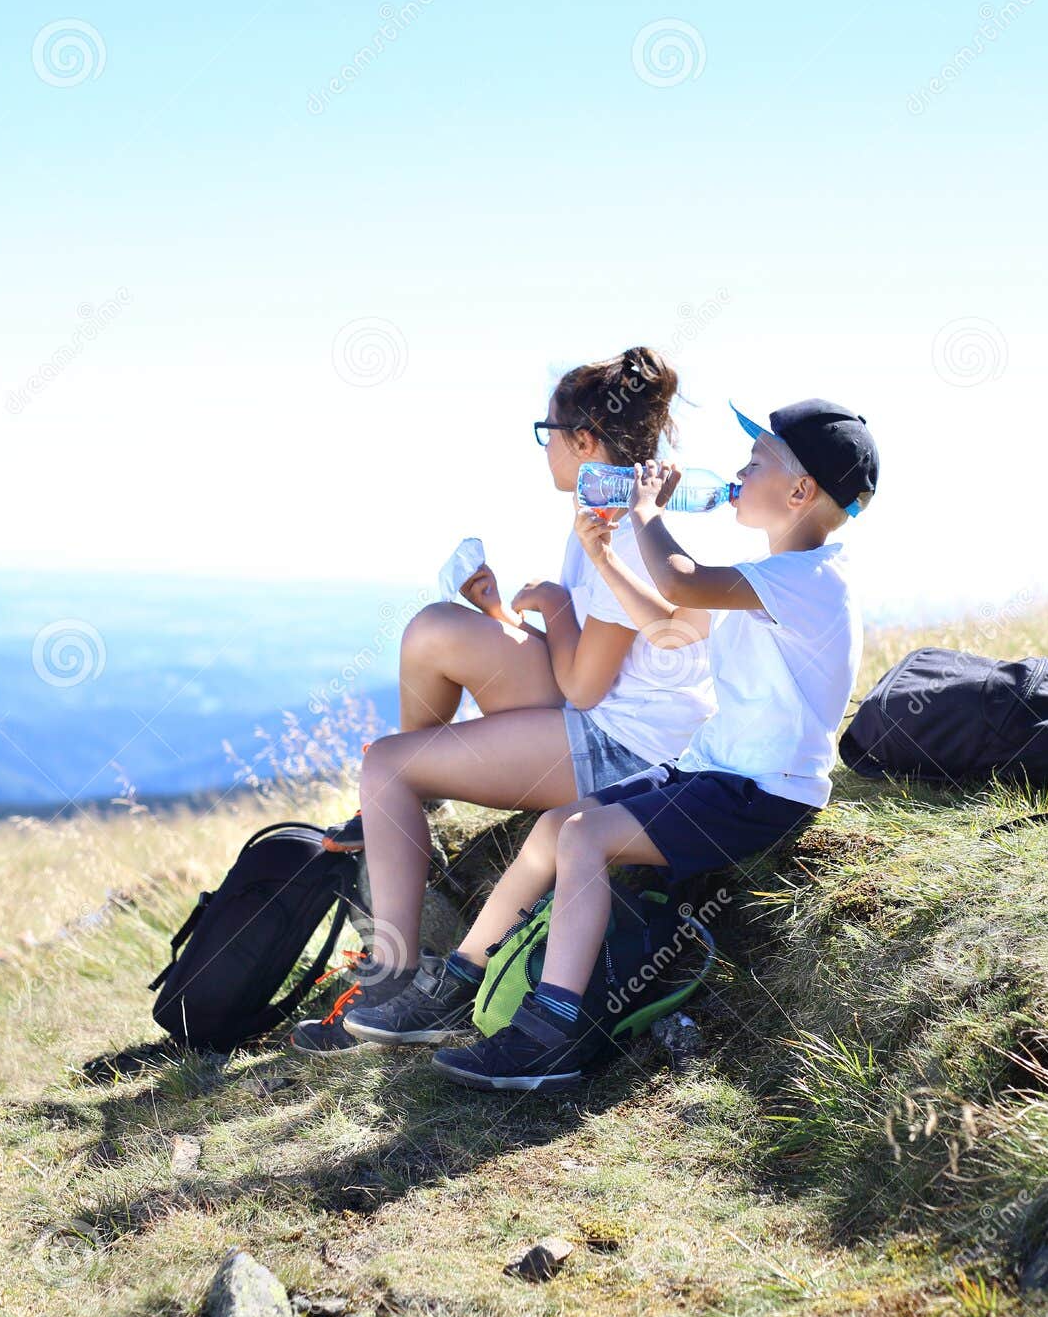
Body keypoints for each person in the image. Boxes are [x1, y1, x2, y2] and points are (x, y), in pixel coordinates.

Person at [346, 398, 879, 1086]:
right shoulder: (770, 581)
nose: (738, 473)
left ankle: (551, 1032)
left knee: (583, 839)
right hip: (708, 772)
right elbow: (665, 626)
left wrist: (647, 511)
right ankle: (459, 982)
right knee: (554, 827)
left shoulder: (811, 582)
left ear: (799, 491)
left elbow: (681, 580)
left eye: (755, 463)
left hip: (759, 794)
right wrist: (605, 554)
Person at [290, 346, 715, 1054]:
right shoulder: (602, 507)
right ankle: (410, 807)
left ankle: (394, 973)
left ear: (583, 441)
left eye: (546, 432)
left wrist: (554, 607)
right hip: (601, 711)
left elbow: (584, 684)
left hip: (625, 749)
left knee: (389, 766)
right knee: (434, 628)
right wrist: (502, 611)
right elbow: (589, 662)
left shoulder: (623, 537)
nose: (543, 446)